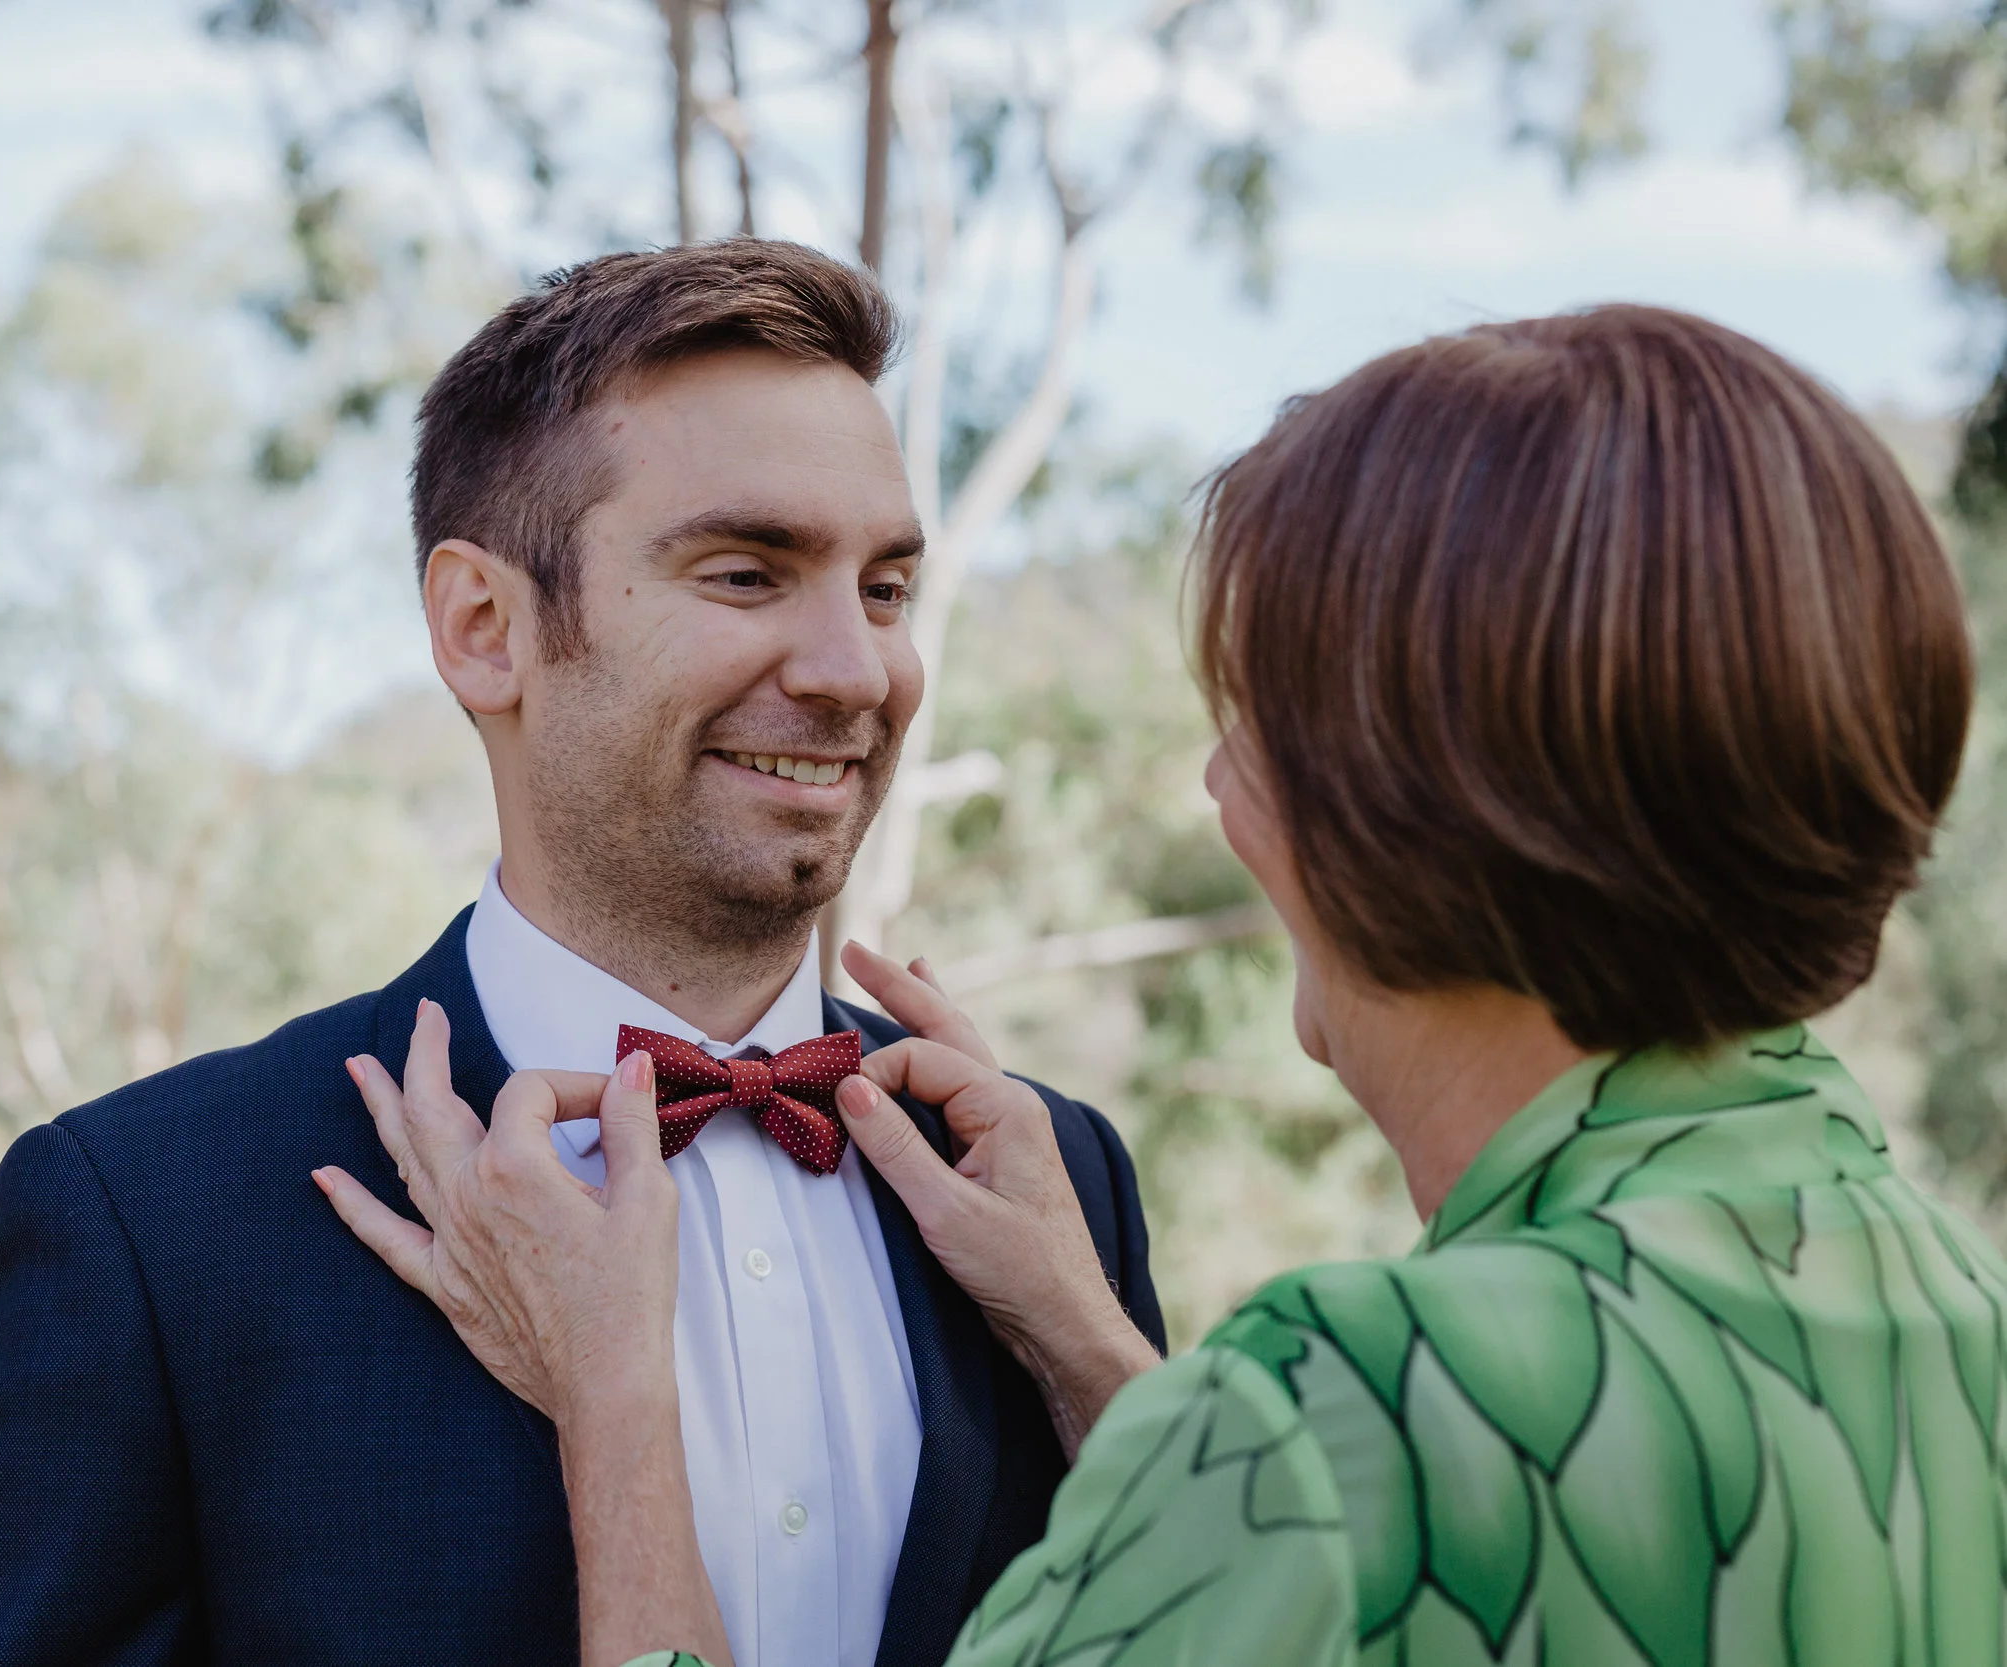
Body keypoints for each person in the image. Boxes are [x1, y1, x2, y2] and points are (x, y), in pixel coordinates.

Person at [322, 304, 2005, 1666]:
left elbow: (1328, 1496)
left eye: (1254, 719)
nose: (1220, 790)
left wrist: (618, 1407)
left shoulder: (1329, 1408)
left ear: (1412, 807)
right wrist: (1085, 1340)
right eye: (748, 573)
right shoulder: (1951, 1311)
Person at [0, 240, 1164, 1667]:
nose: (857, 672)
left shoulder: (1057, 1195)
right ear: (485, 629)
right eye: (748, 574)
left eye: (884, 589)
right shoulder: (155, 1224)